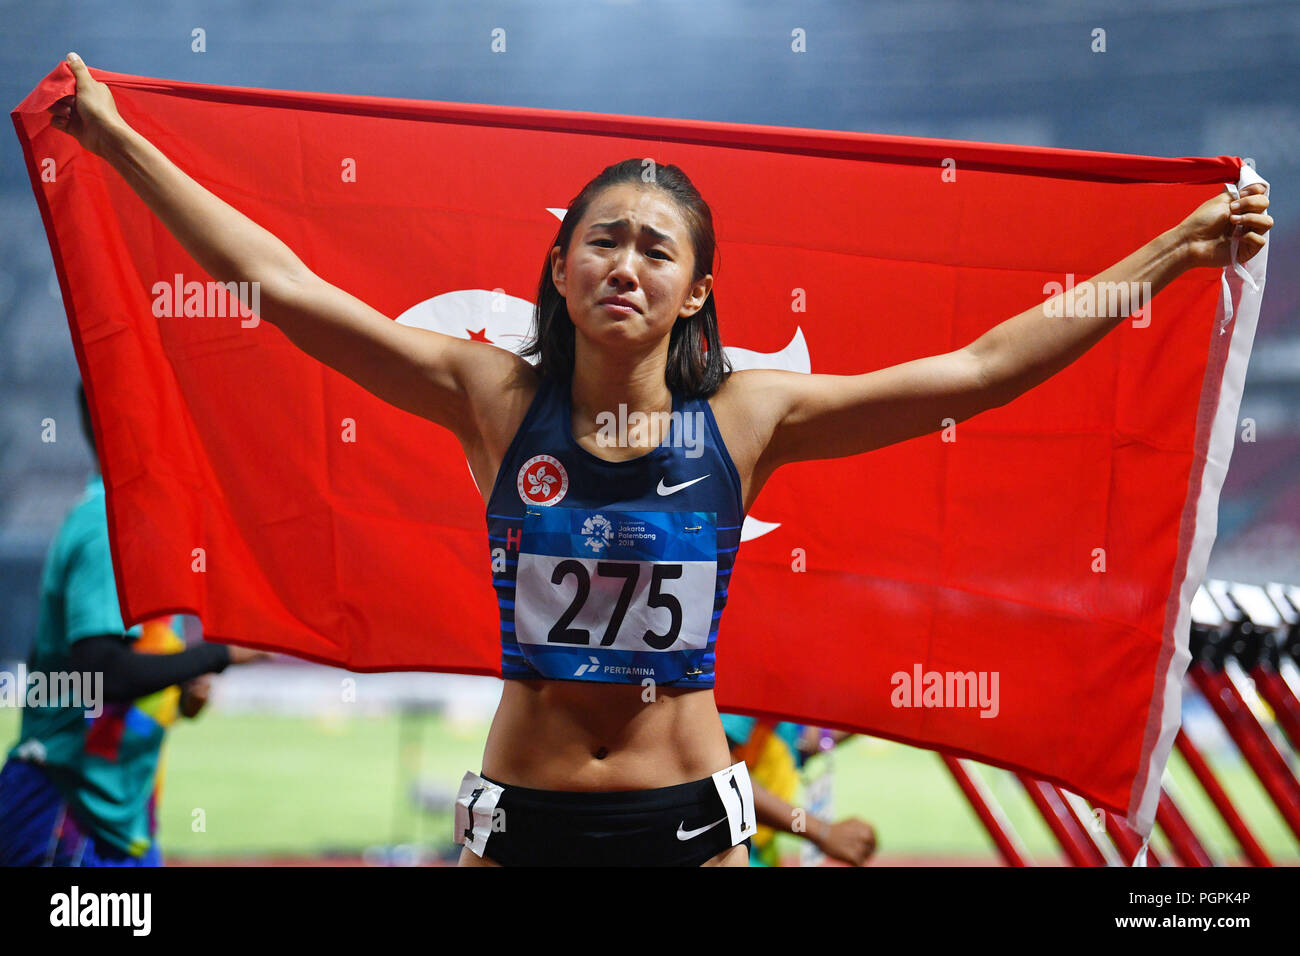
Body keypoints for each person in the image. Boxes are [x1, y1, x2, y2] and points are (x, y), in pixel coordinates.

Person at [47, 52, 1273, 867]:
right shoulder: (489, 396)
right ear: (562, 271)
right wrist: (114, 140)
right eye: (600, 242)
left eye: (654, 248)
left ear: (696, 292)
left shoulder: (753, 417)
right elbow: (280, 287)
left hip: (689, 824)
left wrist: (1170, 253)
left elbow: (982, 369)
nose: (624, 262)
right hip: (516, 819)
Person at [0, 384, 264, 866]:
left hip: (118, 812)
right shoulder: (108, 524)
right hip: (64, 806)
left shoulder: (142, 527)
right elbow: (103, 672)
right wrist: (220, 655)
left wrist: (184, 696)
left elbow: (135, 668)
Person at [722, 715, 875, 866]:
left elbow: (800, 741)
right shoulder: (750, 694)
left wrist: (874, 714)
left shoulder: (775, 705)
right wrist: (821, 831)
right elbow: (720, 770)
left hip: (758, 847)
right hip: (726, 850)